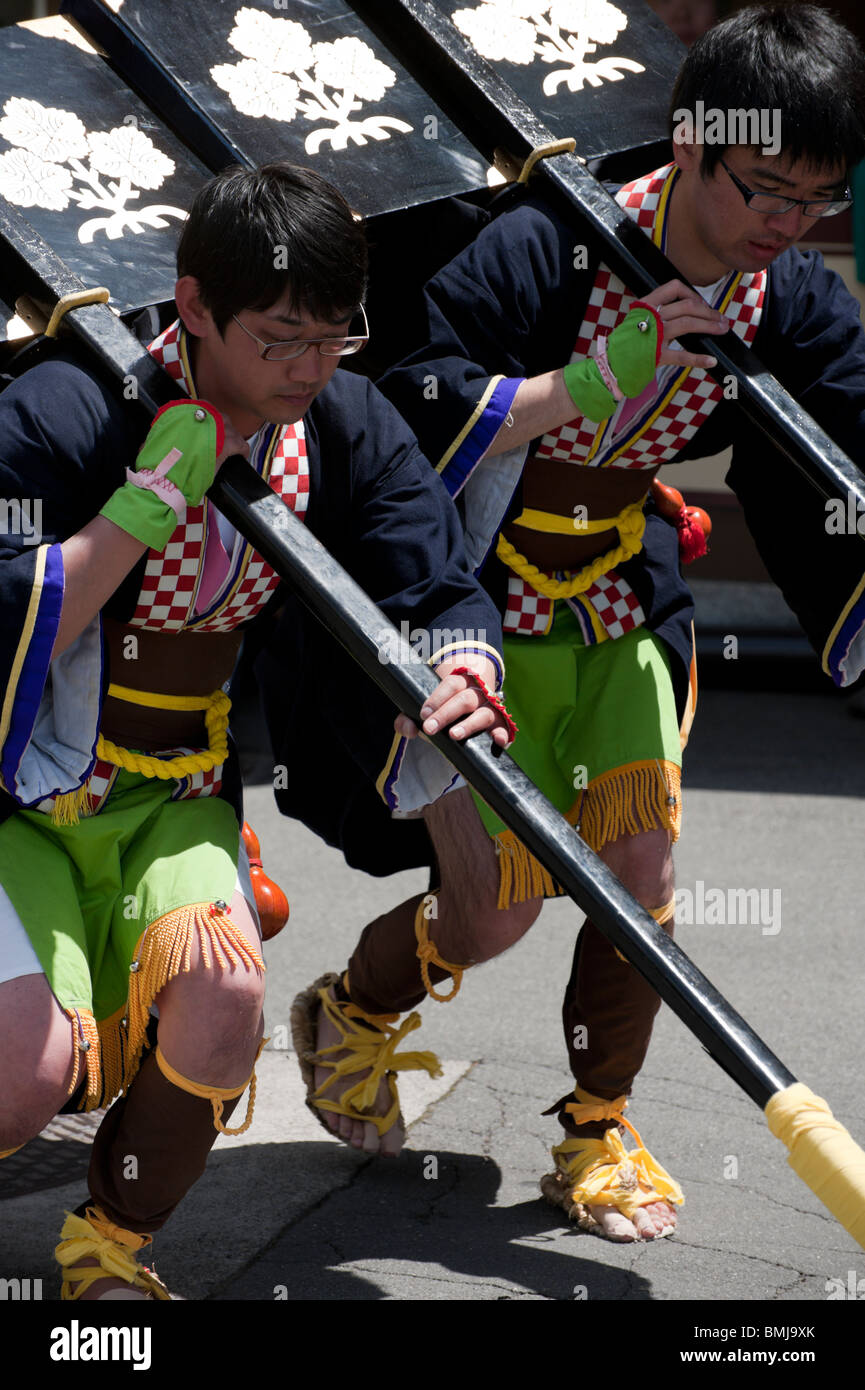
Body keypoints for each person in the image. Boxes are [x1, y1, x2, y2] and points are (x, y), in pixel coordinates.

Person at [289, 3, 865, 1244]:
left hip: (621, 601)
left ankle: (596, 1125)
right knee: (491, 911)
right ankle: (351, 1007)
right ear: (693, 140)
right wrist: (581, 386)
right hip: (473, 598)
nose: (785, 223)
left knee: (641, 878)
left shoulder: (784, 296)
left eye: (815, 201)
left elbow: (852, 419)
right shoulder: (553, 242)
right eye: (765, 187)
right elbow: (395, 407)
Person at [0, 161, 511, 1298]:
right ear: (191, 307)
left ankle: (109, 1249)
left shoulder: (333, 417)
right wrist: (134, 511)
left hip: (180, 791)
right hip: (23, 798)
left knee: (226, 999)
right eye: (282, 338)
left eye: (337, 335)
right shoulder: (68, 403)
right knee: (22, 1078)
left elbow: (427, 569)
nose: (313, 368)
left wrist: (461, 660)